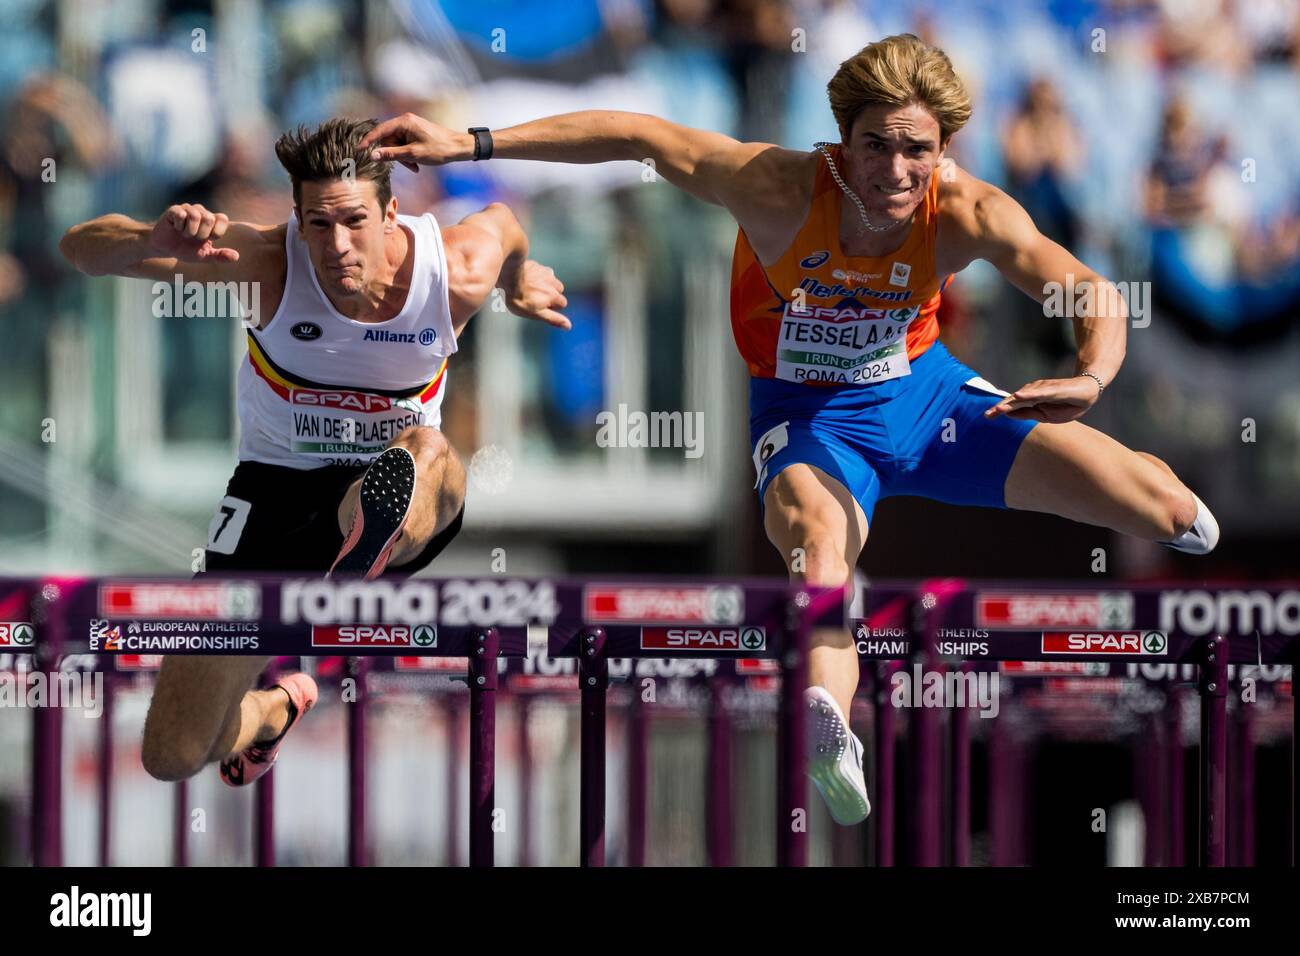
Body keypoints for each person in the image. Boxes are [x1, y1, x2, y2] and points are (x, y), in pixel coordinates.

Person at [360, 34, 1222, 827]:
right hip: (809, 421)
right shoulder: (774, 187)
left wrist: (1092, 375)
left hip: (930, 400)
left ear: (944, 151)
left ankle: (1167, 506)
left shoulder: (967, 211)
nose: (893, 170)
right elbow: (636, 133)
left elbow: (1088, 291)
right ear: (841, 142)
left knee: (1158, 506)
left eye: (915, 150)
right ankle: (830, 729)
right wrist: (471, 142)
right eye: (875, 145)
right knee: (818, 545)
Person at [60, 118, 569, 785]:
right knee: (172, 754)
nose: (336, 246)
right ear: (296, 219)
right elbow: (79, 249)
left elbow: (505, 222)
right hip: (274, 499)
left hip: (401, 493)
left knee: (428, 450)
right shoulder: (266, 261)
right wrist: (149, 239)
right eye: (317, 225)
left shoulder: (455, 270)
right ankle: (275, 708)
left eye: (354, 221)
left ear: (392, 212)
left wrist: (521, 278)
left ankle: (357, 561)